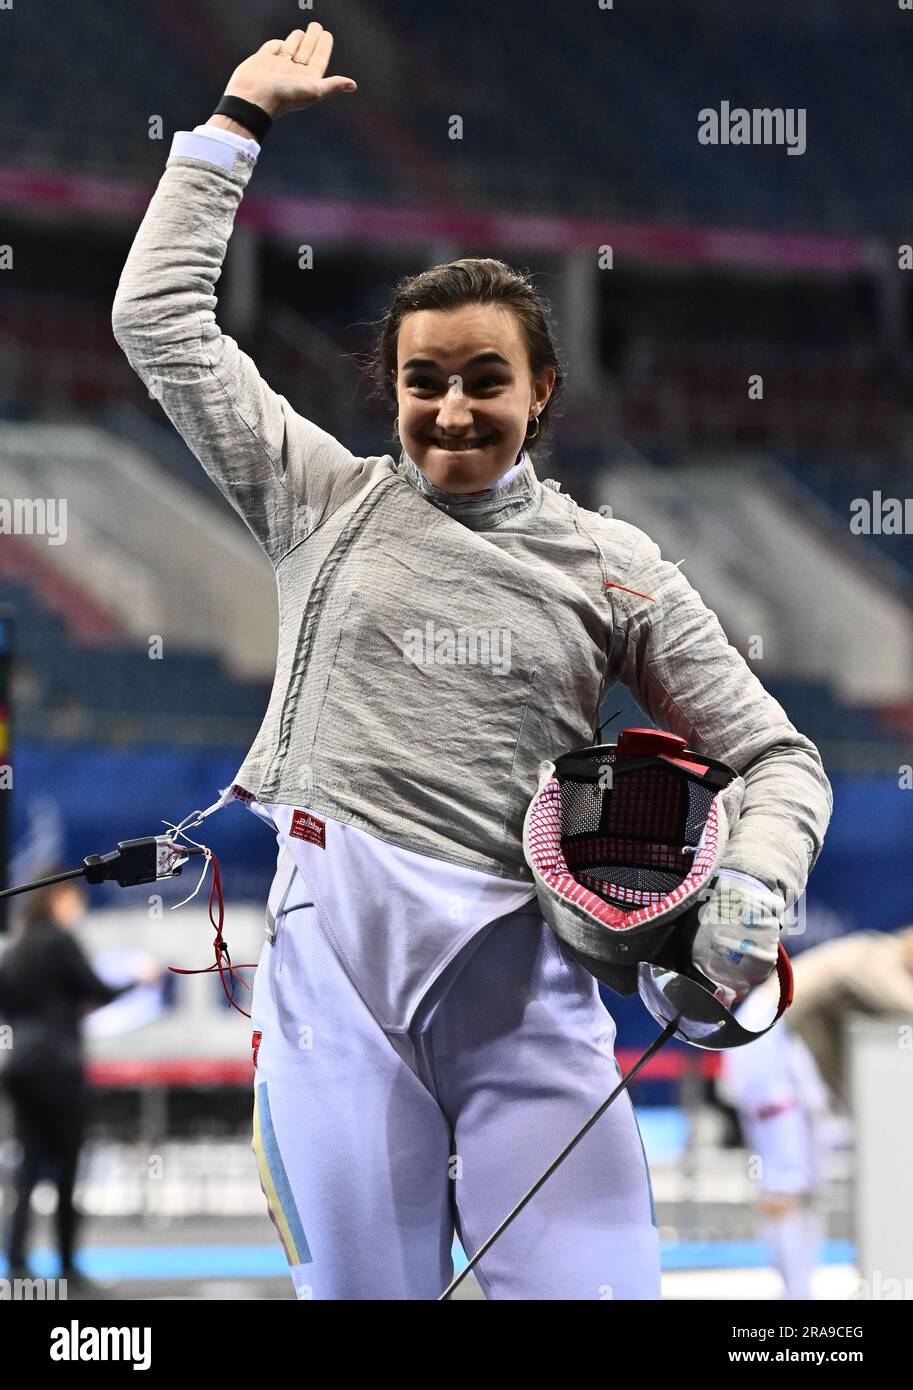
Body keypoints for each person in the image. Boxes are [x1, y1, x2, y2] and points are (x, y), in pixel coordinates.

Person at [111, 24, 833, 1299]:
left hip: (528, 989)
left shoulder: (617, 568)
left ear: (541, 389)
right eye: (422, 380)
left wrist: (755, 886)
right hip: (336, 987)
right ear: (389, 390)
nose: (451, 408)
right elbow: (160, 320)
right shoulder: (319, 499)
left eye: (485, 380)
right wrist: (234, 122)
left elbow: (776, 757)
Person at [718, 925, 913, 1301]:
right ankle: (794, 1291)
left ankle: (800, 1289)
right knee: (786, 1181)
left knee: (808, 1183)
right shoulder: (873, 957)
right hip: (767, 1044)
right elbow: (904, 1005)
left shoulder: (875, 966)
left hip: (795, 1062)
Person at [0, 870, 159, 1295]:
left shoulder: (17, 947)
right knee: (68, 1168)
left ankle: (15, 1264)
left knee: (28, 1168)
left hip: (20, 1068)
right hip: (58, 1068)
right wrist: (138, 979)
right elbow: (98, 992)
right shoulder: (59, 940)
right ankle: (68, 1266)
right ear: (58, 896)